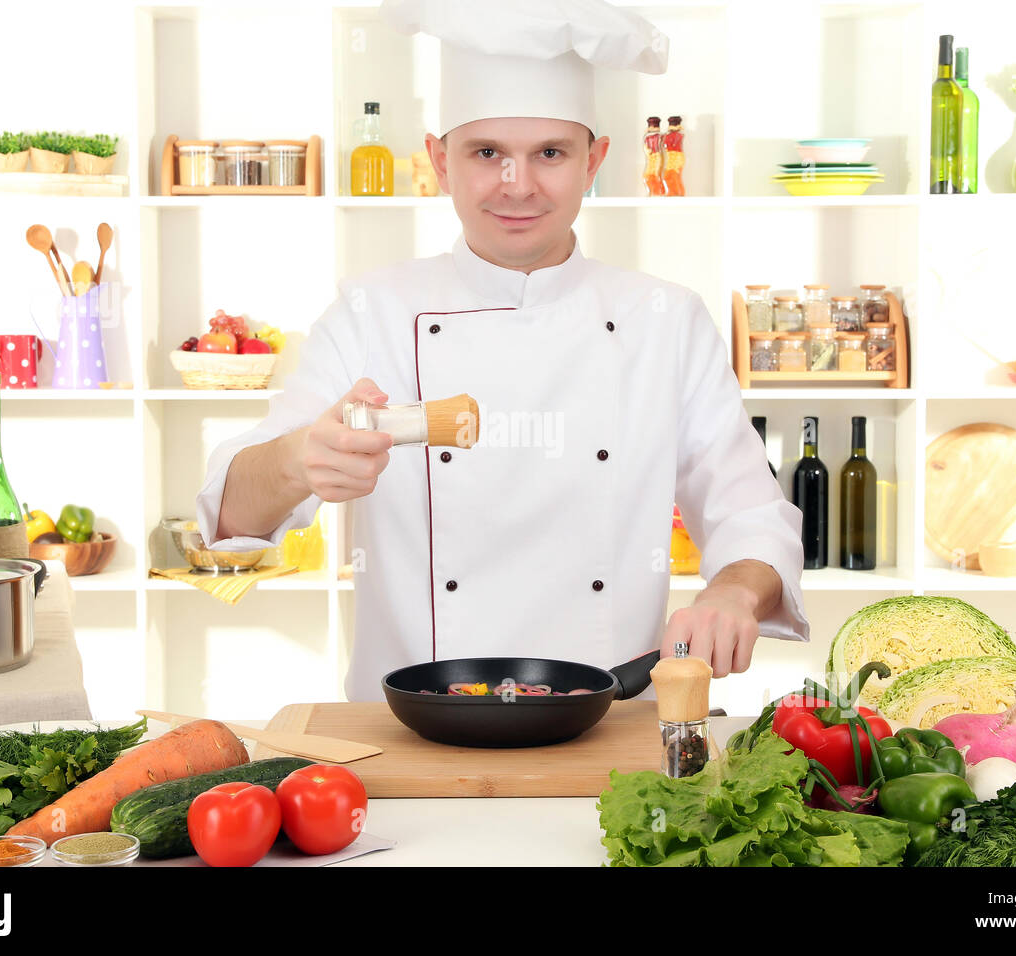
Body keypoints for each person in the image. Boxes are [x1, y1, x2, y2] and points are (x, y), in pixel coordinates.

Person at [197, 0, 809, 702]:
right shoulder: (372, 313)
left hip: (605, 727)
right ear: (439, 161)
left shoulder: (665, 320)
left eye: (550, 153)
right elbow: (233, 518)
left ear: (595, 162)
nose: (517, 184)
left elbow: (752, 515)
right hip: (408, 735)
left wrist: (733, 590)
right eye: (487, 153)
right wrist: (300, 458)